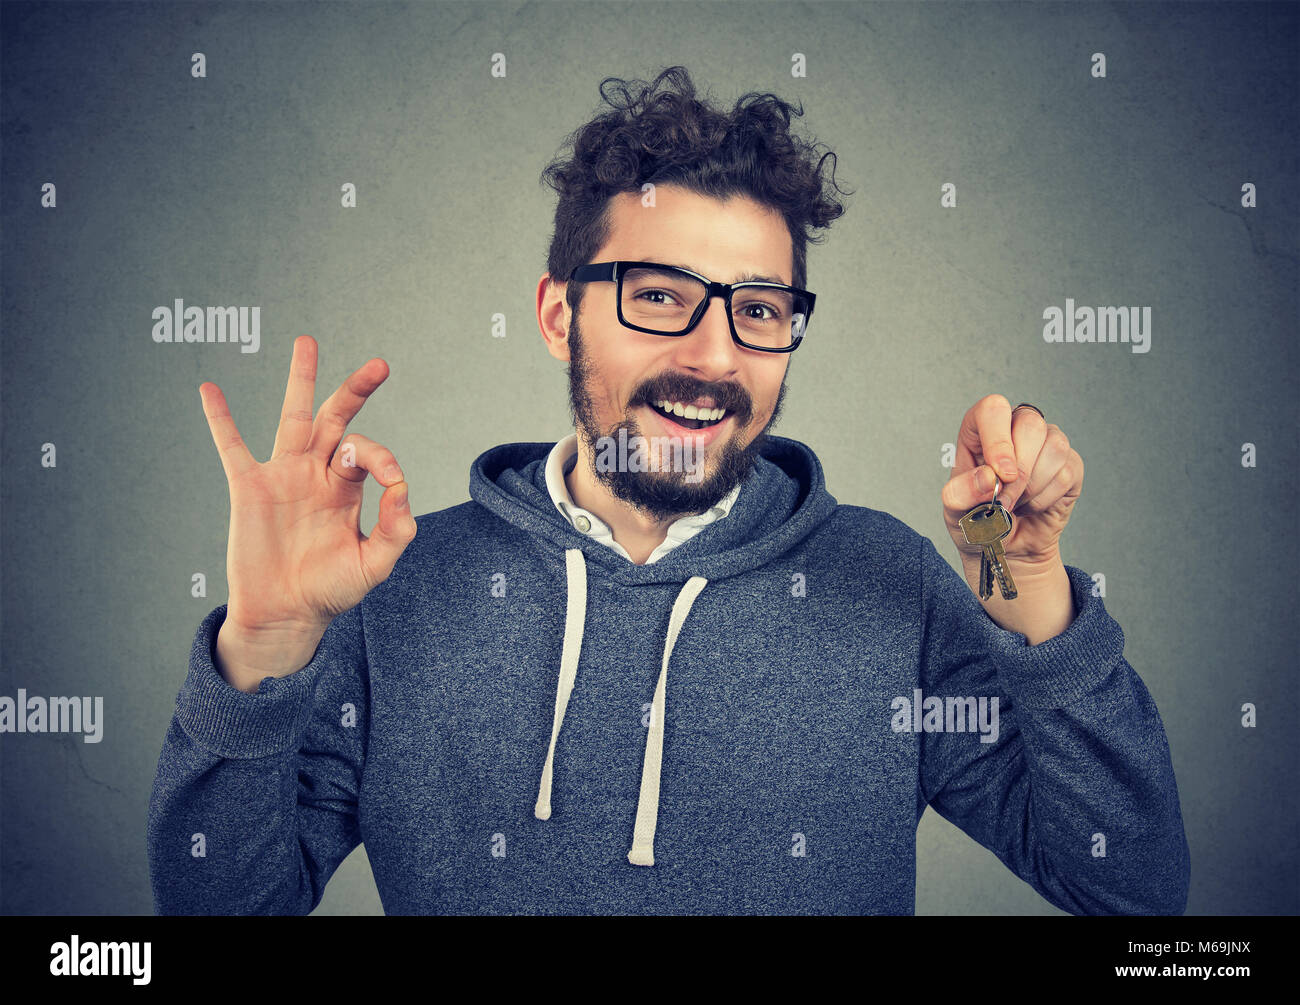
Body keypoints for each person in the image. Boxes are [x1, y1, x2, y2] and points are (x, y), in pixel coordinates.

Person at [147, 66, 1189, 915]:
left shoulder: (889, 584)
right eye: (658, 297)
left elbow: (1132, 894)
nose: (714, 355)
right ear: (559, 315)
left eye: (760, 310)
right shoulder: (401, 588)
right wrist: (267, 648)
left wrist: (1025, 574)